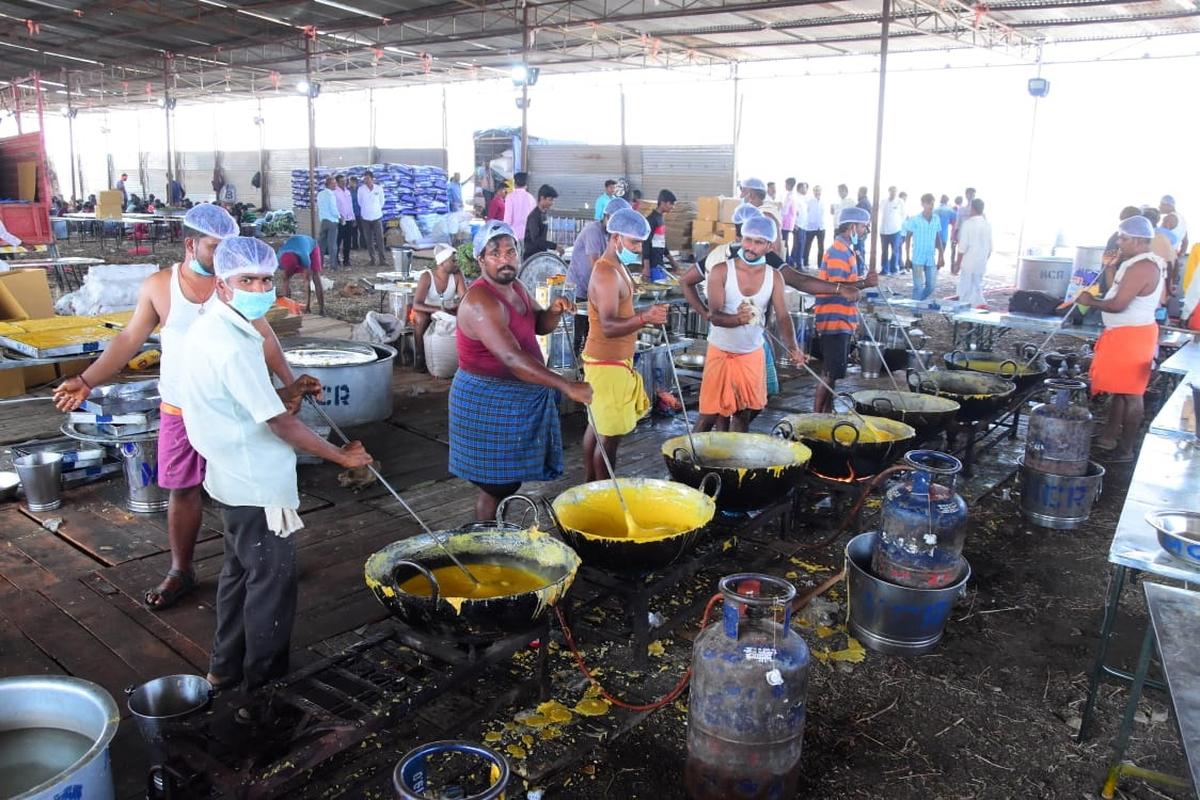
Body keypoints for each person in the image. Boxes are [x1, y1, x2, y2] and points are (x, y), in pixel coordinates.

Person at [52, 205, 301, 611]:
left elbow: (267, 337)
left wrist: (290, 384)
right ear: (190, 243)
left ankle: (262, 562)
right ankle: (180, 569)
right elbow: (128, 340)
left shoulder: (236, 285)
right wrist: (85, 381)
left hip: (237, 410)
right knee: (183, 489)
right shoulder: (159, 286)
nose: (227, 257)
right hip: (181, 409)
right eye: (216, 248)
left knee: (250, 489)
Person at [177, 236, 372, 693]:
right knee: (271, 584)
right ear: (223, 285)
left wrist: (290, 384)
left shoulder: (219, 322)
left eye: (265, 278)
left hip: (229, 473)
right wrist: (342, 455)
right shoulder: (229, 345)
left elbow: (255, 372)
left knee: (240, 574)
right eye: (247, 280)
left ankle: (224, 668)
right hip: (256, 481)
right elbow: (281, 426)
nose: (259, 288)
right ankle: (263, 687)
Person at [449, 221, 593, 520]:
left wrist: (553, 311)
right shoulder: (480, 301)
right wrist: (565, 385)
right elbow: (512, 358)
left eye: (510, 251)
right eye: (495, 253)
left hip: (517, 394)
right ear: (480, 260)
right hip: (488, 398)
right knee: (495, 483)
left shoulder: (516, 287)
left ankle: (494, 534)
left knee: (507, 479)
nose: (505, 259)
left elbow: (538, 325)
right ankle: (486, 540)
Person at [695, 215, 804, 433]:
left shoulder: (774, 277)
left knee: (742, 415)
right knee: (709, 415)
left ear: (769, 246)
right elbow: (714, 316)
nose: (750, 247)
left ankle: (735, 464)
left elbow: (783, 316)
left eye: (758, 242)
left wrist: (793, 348)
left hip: (751, 354)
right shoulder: (721, 271)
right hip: (720, 352)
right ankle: (689, 462)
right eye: (748, 240)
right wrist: (738, 319)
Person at [581, 208, 667, 480]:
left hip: (612, 361)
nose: (638, 249)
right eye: (633, 242)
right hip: (608, 363)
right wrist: (645, 317)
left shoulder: (618, 266)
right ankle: (603, 492)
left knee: (596, 428)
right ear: (615, 237)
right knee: (609, 437)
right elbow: (607, 326)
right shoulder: (606, 272)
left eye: (641, 243)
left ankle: (590, 486)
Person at [1075, 216, 1167, 463]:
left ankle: (1126, 450)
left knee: (1132, 395)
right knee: (1120, 390)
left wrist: (1089, 301)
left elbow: (1117, 304)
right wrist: (1111, 268)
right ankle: (1109, 437)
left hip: (1132, 336)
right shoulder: (1134, 263)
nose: (1119, 241)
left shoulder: (1143, 267)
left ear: (1138, 240)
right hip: (1124, 334)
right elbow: (1115, 291)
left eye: (1123, 238)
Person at [813, 207, 877, 413]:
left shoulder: (847, 249)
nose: (865, 231)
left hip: (842, 318)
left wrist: (862, 282)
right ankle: (815, 415)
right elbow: (838, 284)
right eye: (863, 227)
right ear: (852, 227)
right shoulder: (839, 250)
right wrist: (864, 283)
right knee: (829, 372)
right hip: (834, 318)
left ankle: (826, 412)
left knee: (833, 370)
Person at [567, 197, 631, 352]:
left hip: (593, 291)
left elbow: (617, 260)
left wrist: (629, 281)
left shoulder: (611, 236)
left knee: (592, 332)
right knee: (580, 334)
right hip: (579, 289)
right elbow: (597, 266)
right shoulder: (593, 231)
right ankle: (577, 369)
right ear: (607, 217)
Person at [413, 243, 468, 373]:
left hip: (446, 311)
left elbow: (465, 299)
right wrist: (438, 310)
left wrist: (455, 308)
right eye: (453, 261)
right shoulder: (426, 276)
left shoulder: (456, 275)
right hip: (428, 311)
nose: (457, 263)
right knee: (420, 318)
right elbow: (417, 304)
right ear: (442, 262)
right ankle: (420, 356)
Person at [903, 193, 945, 301]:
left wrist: (941, 256)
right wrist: (907, 257)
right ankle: (916, 311)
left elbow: (938, 238)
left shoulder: (936, 219)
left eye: (932, 203)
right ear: (922, 204)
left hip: (931, 257)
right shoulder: (915, 220)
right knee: (918, 287)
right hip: (917, 257)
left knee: (931, 286)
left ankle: (917, 303)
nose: (931, 206)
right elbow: (907, 238)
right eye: (928, 204)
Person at [953, 198, 991, 309]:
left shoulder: (968, 224)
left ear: (972, 208)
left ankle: (966, 315)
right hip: (981, 262)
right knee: (977, 287)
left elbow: (962, 248)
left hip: (968, 262)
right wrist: (983, 259)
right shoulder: (987, 225)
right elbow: (990, 249)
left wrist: (957, 264)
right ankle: (977, 310)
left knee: (965, 291)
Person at [277, 234, 325, 315]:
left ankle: (322, 310)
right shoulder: (278, 259)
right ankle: (289, 309)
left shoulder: (304, 257)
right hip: (294, 248)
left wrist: (307, 307)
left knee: (315, 277)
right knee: (285, 279)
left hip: (311, 246)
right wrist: (287, 307)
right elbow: (285, 281)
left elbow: (307, 281)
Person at [642, 189, 679, 282]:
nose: (672, 207)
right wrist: (646, 267)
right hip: (652, 265)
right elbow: (645, 243)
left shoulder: (660, 219)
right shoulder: (651, 220)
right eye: (671, 204)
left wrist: (672, 261)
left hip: (659, 263)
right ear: (663, 203)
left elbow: (661, 243)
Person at [357, 170, 386, 267]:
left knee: (380, 239)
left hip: (377, 217)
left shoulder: (379, 188)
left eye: (367, 178)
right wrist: (367, 209)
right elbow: (360, 202)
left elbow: (382, 202)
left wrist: (375, 209)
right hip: (365, 217)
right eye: (364, 179)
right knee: (368, 239)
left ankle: (382, 260)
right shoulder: (361, 189)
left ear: (372, 179)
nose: (366, 180)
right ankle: (372, 259)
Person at [524, 184, 561, 256]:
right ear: (542, 198)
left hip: (541, 254)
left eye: (553, 200)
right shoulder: (534, 216)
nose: (552, 203)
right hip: (532, 256)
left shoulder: (544, 213)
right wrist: (554, 246)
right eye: (550, 200)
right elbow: (536, 240)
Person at [503, 172, 536, 240]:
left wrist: (505, 234)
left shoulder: (510, 197)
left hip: (514, 235)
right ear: (526, 184)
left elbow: (508, 218)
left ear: (515, 183)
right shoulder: (531, 198)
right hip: (529, 235)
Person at [879, 187, 905, 276]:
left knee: (895, 251)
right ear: (889, 192)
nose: (893, 193)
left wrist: (897, 224)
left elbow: (903, 215)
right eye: (891, 191)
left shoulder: (900, 202)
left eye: (894, 192)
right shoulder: (883, 201)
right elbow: (879, 211)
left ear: (896, 192)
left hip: (895, 230)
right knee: (884, 251)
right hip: (884, 230)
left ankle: (894, 269)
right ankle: (884, 269)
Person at [316, 175, 341, 268]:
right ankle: (333, 265)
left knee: (321, 244)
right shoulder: (331, 195)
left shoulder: (320, 194)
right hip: (332, 221)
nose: (335, 185)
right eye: (334, 184)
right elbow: (333, 209)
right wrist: (339, 217)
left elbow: (319, 207)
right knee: (332, 244)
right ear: (329, 184)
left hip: (323, 221)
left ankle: (320, 264)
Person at [800, 186, 825, 269]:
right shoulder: (809, 201)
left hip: (821, 227)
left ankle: (820, 265)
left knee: (821, 247)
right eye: (816, 190)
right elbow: (805, 212)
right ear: (813, 192)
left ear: (821, 191)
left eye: (819, 190)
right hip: (811, 227)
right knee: (807, 246)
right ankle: (805, 263)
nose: (817, 192)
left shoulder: (824, 201)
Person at [951, 187, 977, 267]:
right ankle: (959, 270)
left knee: (971, 257)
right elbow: (957, 224)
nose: (972, 196)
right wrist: (954, 236)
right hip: (962, 237)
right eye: (970, 194)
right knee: (962, 256)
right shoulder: (961, 209)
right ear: (966, 195)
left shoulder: (978, 210)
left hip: (974, 237)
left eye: (973, 194)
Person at [333, 174, 355, 268]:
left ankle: (346, 260)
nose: (344, 183)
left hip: (349, 219)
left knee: (347, 241)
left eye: (345, 181)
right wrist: (339, 216)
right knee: (338, 240)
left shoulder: (347, 192)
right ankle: (336, 259)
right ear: (337, 182)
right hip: (339, 220)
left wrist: (353, 217)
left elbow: (350, 206)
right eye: (342, 181)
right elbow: (334, 207)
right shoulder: (334, 192)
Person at [780, 178, 799, 264]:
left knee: (785, 242)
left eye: (786, 184)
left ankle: (787, 260)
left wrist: (779, 208)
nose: (785, 186)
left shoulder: (790, 196)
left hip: (786, 222)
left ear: (789, 185)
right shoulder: (791, 195)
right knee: (785, 241)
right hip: (789, 222)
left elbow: (785, 211)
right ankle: (787, 260)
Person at [348, 175, 363, 250]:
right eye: (350, 182)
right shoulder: (348, 191)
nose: (351, 184)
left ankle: (363, 245)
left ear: (356, 183)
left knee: (362, 230)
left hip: (360, 213)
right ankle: (354, 246)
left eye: (352, 183)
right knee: (353, 231)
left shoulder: (360, 191)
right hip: (352, 214)